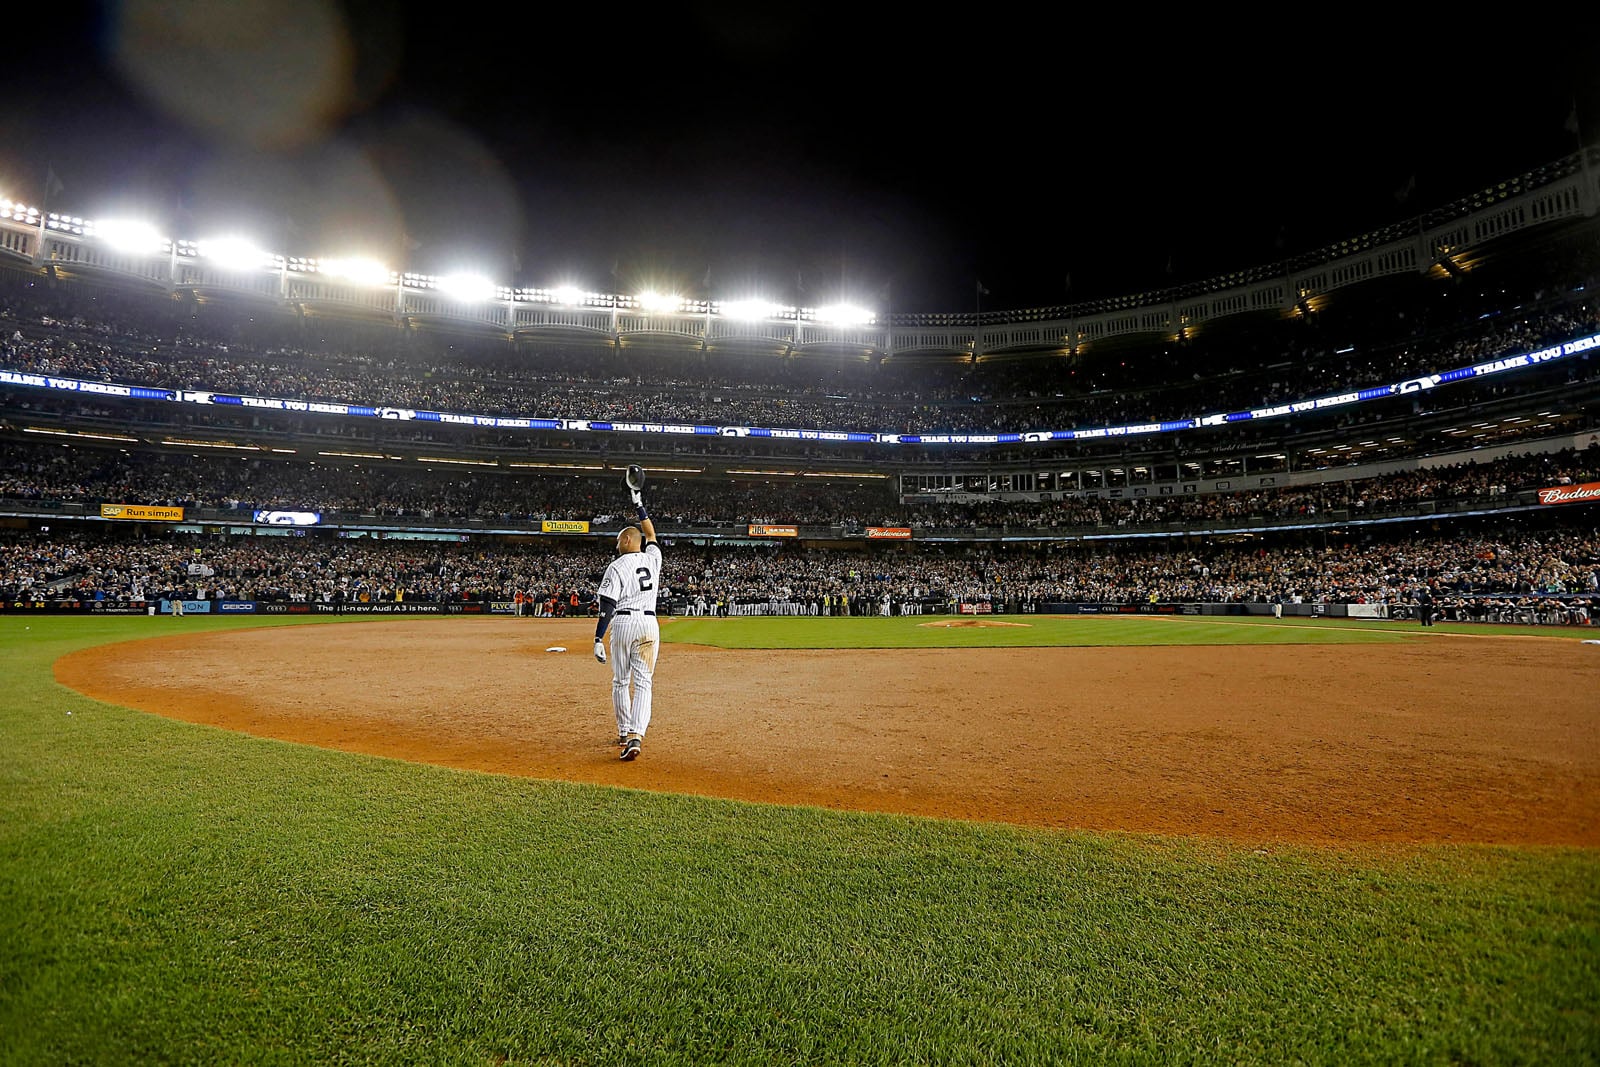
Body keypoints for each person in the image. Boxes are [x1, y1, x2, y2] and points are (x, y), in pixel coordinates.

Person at [593, 481, 662, 761]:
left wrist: (598, 637)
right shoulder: (653, 558)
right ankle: (636, 735)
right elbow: (651, 533)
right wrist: (638, 502)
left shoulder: (617, 565)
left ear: (626, 541)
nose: (616, 543)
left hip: (622, 624)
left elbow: (607, 603)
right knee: (644, 683)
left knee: (621, 681)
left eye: (619, 539)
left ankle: (624, 731)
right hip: (648, 626)